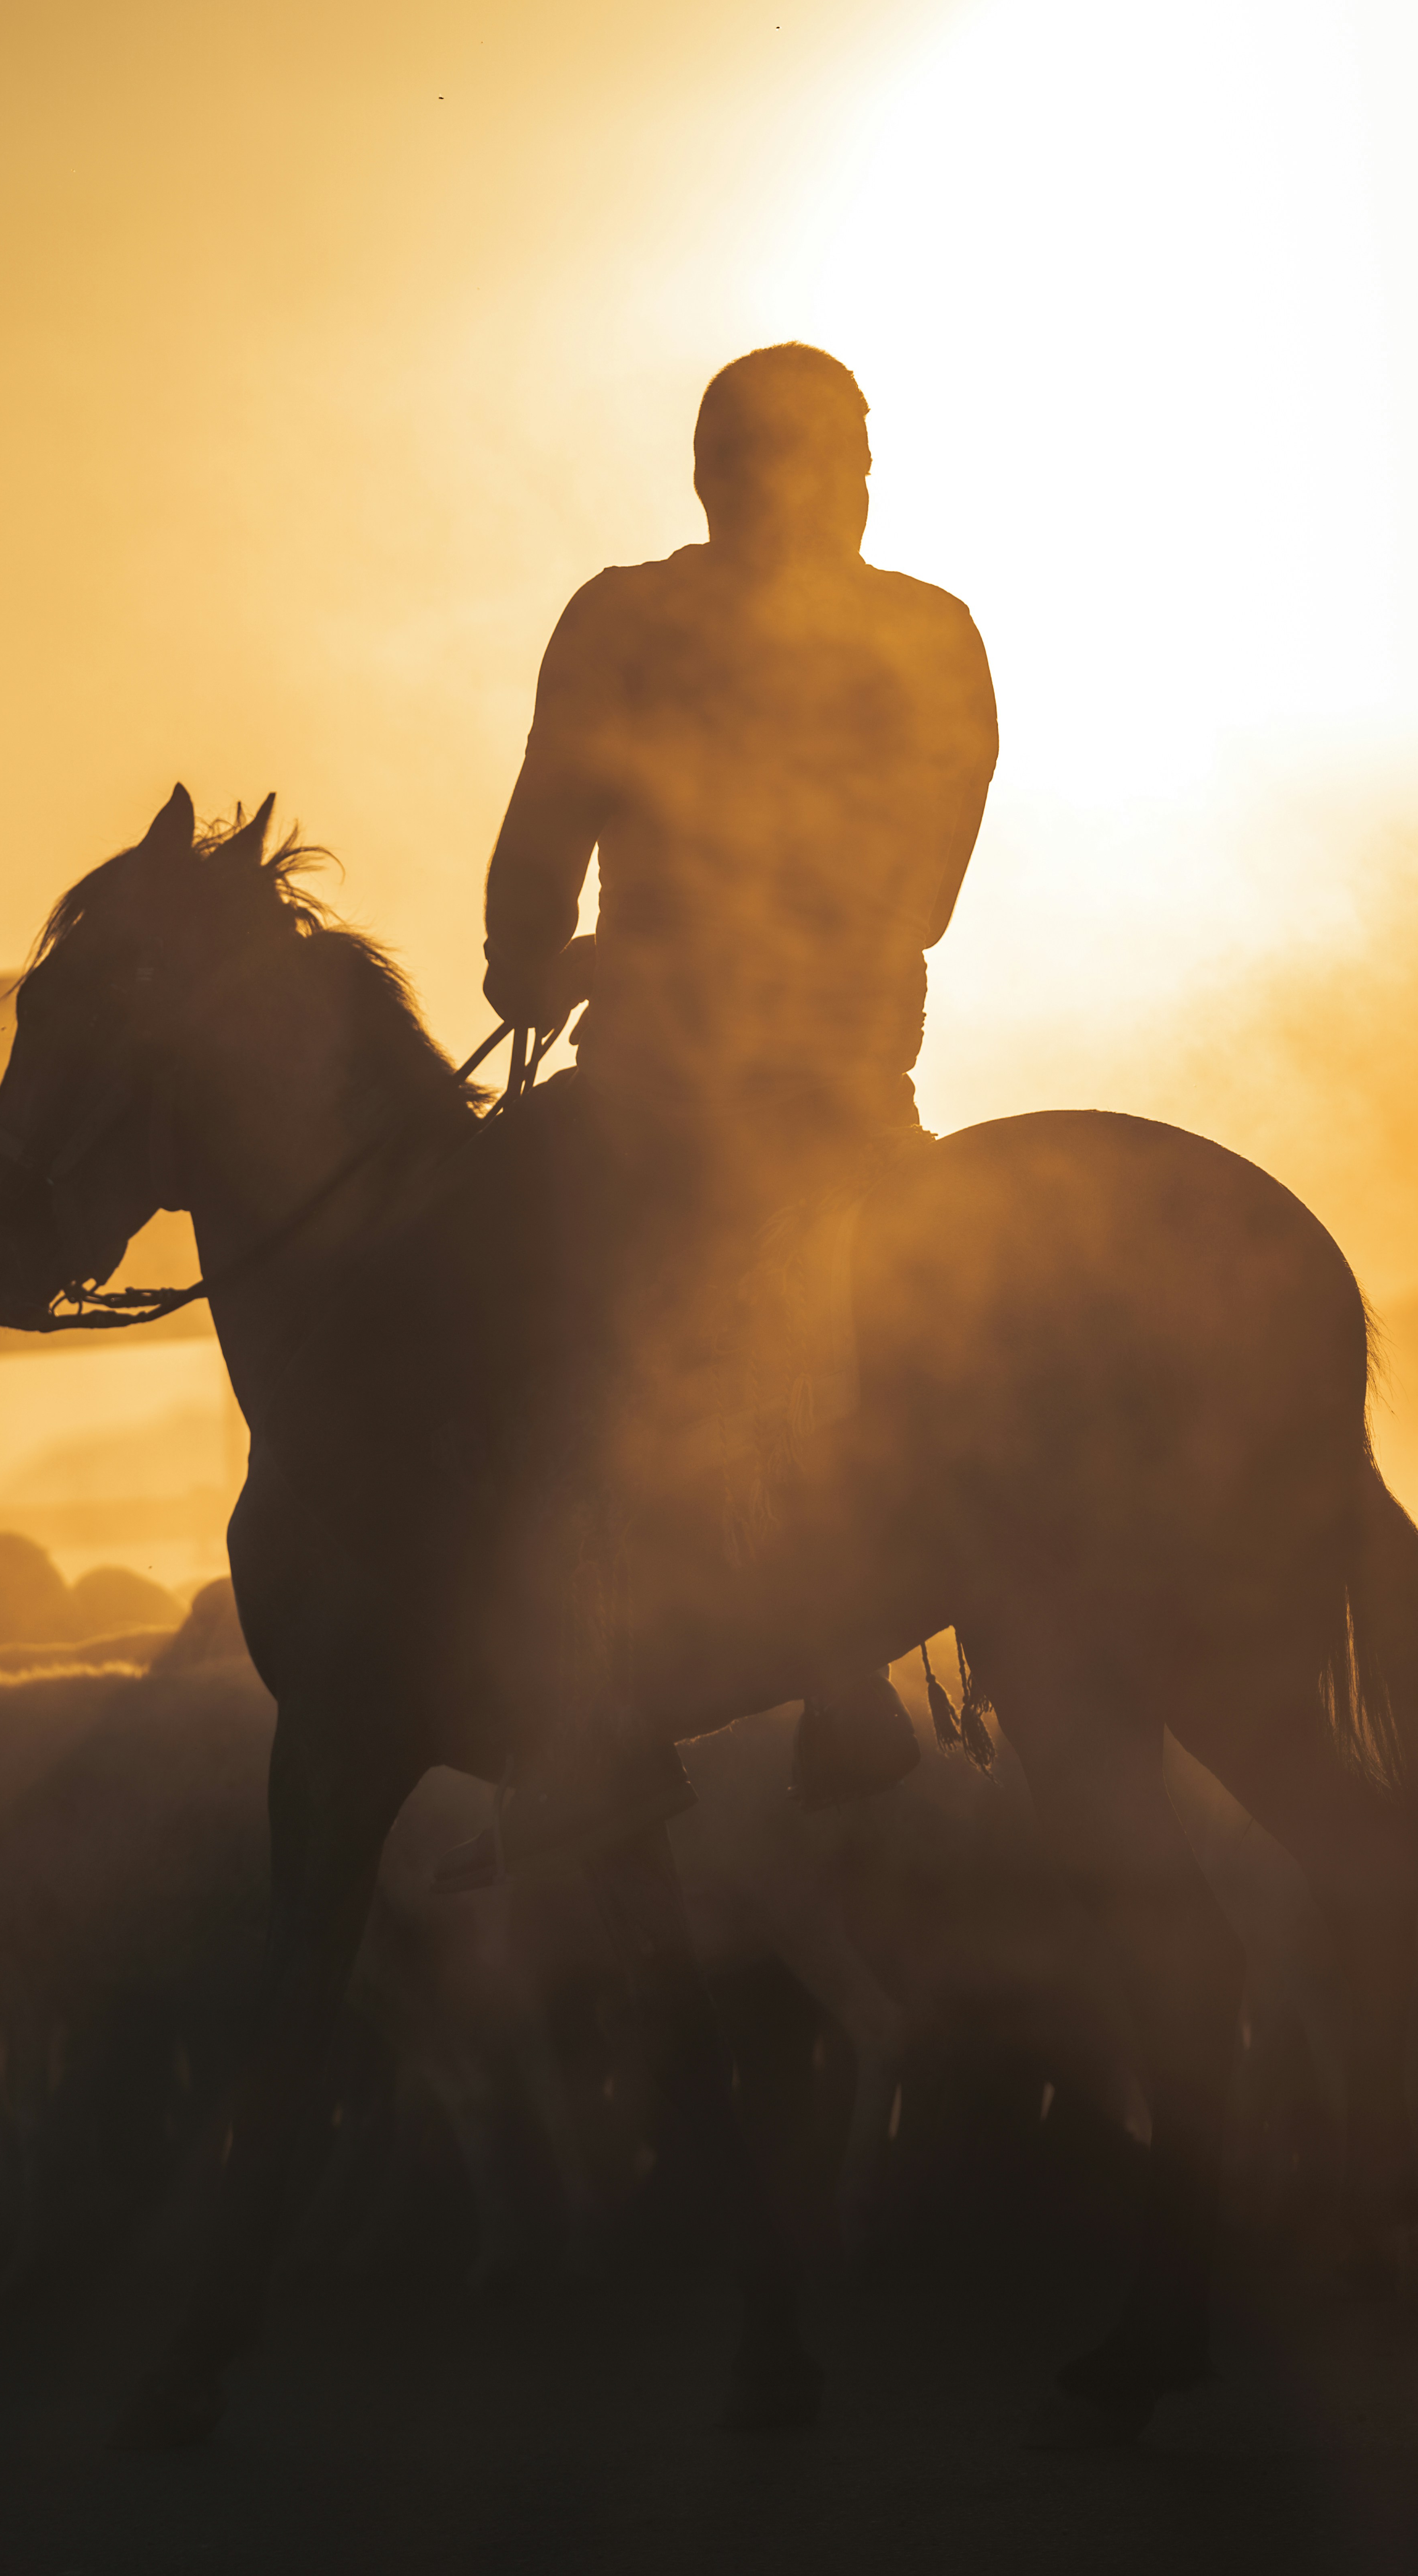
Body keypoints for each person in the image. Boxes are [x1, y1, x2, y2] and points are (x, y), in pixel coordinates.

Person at [436, 343, 999, 1889]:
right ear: (739, 470)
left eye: (857, 456)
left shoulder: (634, 617)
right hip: (854, 1075)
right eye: (835, 456)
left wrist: (552, 956)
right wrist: (540, 946)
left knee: (508, 1301)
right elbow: (927, 889)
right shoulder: (930, 634)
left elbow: (549, 821)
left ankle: (578, 1716)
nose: (854, 485)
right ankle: (842, 1667)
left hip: (687, 1079)